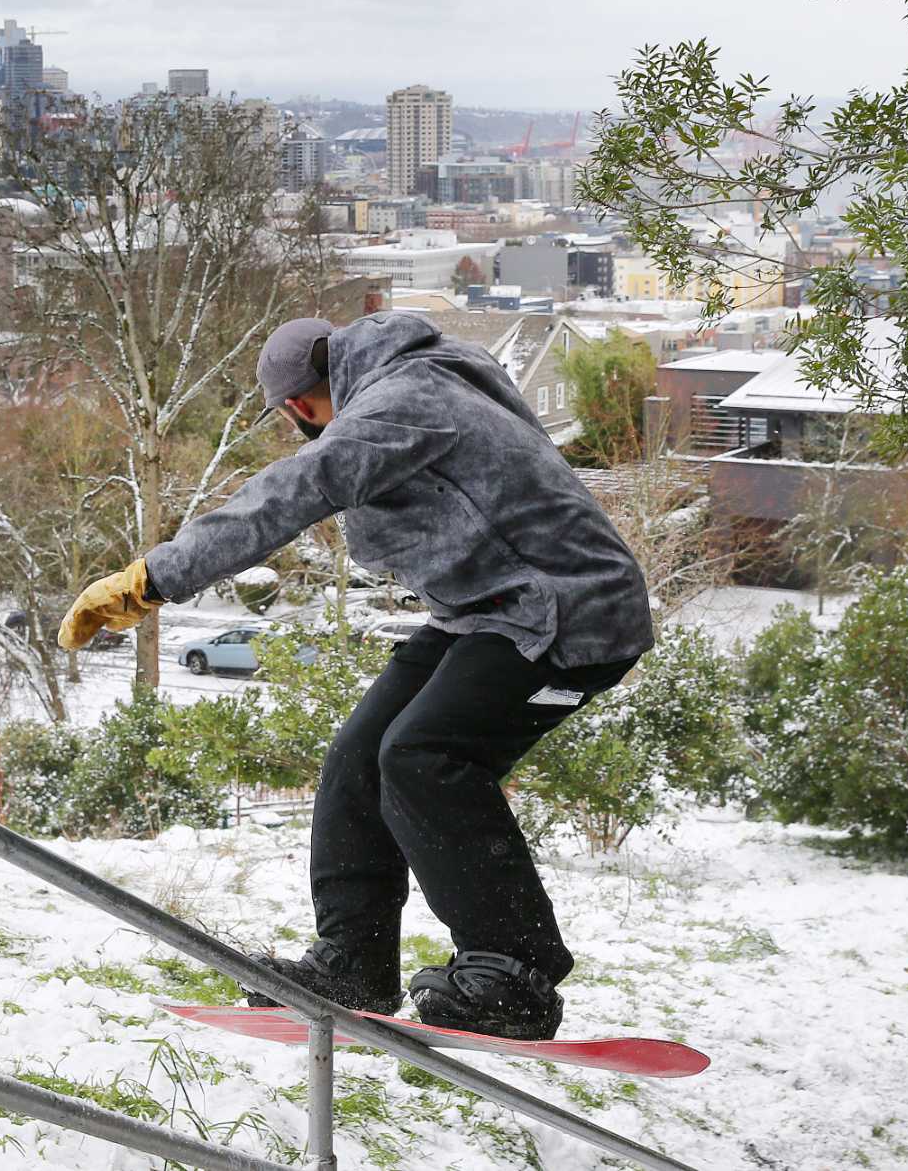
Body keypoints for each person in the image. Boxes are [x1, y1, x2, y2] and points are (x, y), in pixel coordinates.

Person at [57, 311, 654, 1039]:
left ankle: (513, 975)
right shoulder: (439, 367)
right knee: (357, 759)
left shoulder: (398, 404)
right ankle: (354, 961)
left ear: (299, 406)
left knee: (424, 755)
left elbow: (291, 491)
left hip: (570, 611)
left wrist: (150, 578)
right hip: (490, 608)